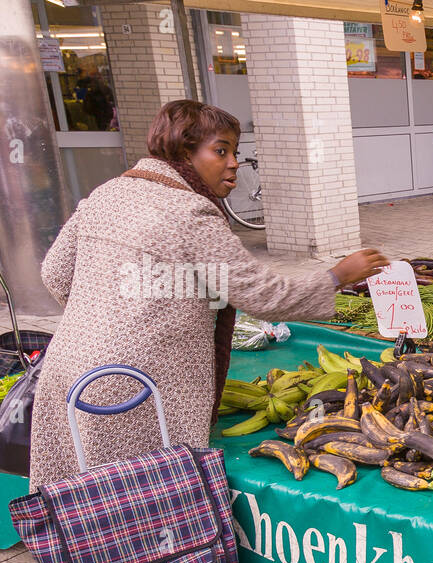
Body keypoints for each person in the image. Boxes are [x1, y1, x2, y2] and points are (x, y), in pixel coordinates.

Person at [28, 100, 389, 488]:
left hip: (69, 368)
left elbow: (55, 274)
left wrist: (106, 312)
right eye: (221, 151)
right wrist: (336, 275)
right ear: (185, 151)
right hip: (134, 385)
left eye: (235, 151)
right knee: (137, 501)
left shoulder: (107, 193)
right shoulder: (188, 211)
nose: (233, 162)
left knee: (78, 497)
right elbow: (263, 295)